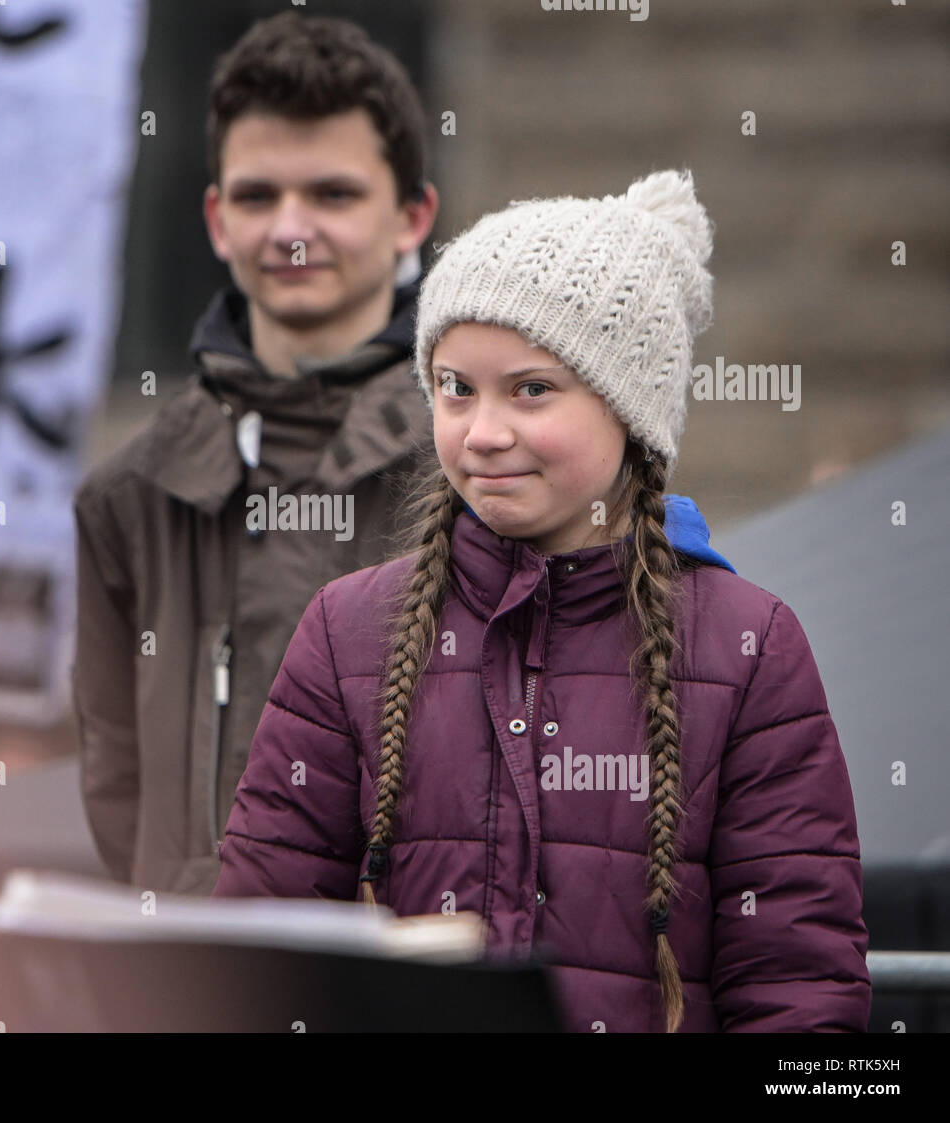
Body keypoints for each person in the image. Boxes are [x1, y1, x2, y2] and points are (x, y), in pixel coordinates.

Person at [213, 169, 872, 1033]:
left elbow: (802, 997)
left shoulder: (749, 646)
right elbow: (251, 967)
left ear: (628, 408)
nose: (483, 432)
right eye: (455, 387)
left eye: (531, 389)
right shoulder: (346, 632)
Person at [72, 13, 439, 895]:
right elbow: (117, 793)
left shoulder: (480, 469)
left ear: (412, 216)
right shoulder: (126, 494)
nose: (292, 229)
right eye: (257, 196)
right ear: (214, 218)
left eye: (333, 194)